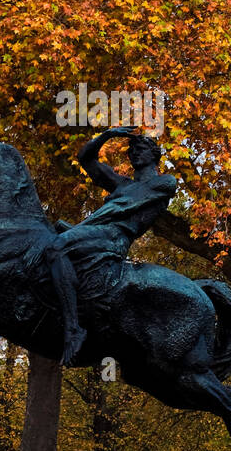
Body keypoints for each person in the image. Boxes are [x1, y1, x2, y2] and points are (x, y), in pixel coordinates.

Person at [39, 126, 176, 364]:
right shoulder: (121, 184)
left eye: (140, 149)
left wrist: (80, 228)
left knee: (57, 246)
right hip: (97, 232)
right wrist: (108, 135)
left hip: (116, 237)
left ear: (154, 154)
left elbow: (124, 206)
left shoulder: (164, 183)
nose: (133, 154)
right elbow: (85, 158)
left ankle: (73, 329)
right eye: (130, 150)